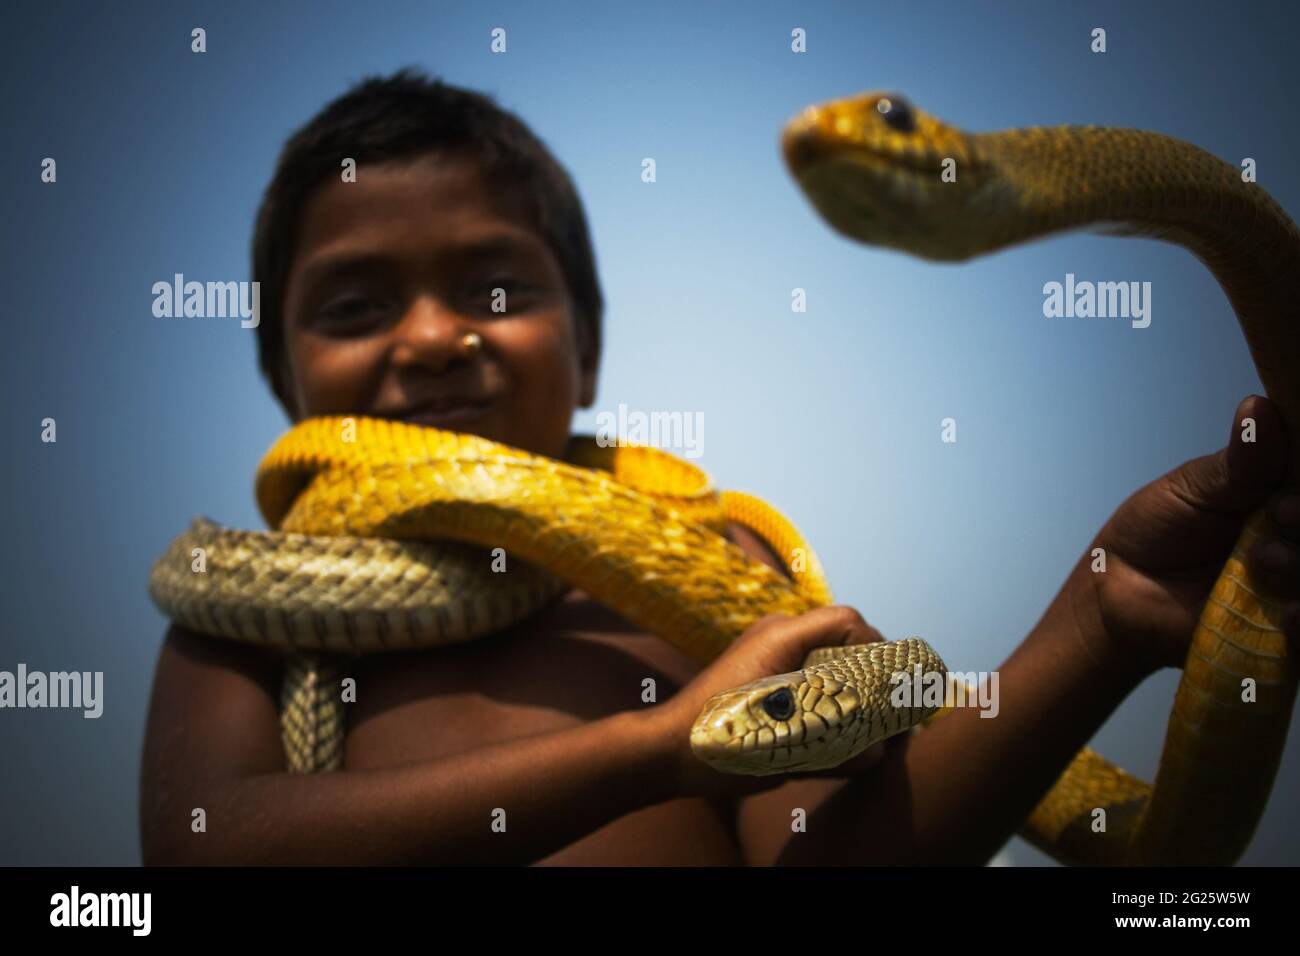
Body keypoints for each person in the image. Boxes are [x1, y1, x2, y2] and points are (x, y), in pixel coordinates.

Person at [139, 68, 1300, 866]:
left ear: (586, 347)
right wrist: (664, 747)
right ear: (280, 372)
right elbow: (204, 844)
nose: (438, 336)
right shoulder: (254, 596)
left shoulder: (715, 555)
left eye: (498, 290)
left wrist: (1100, 616)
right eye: (355, 305)